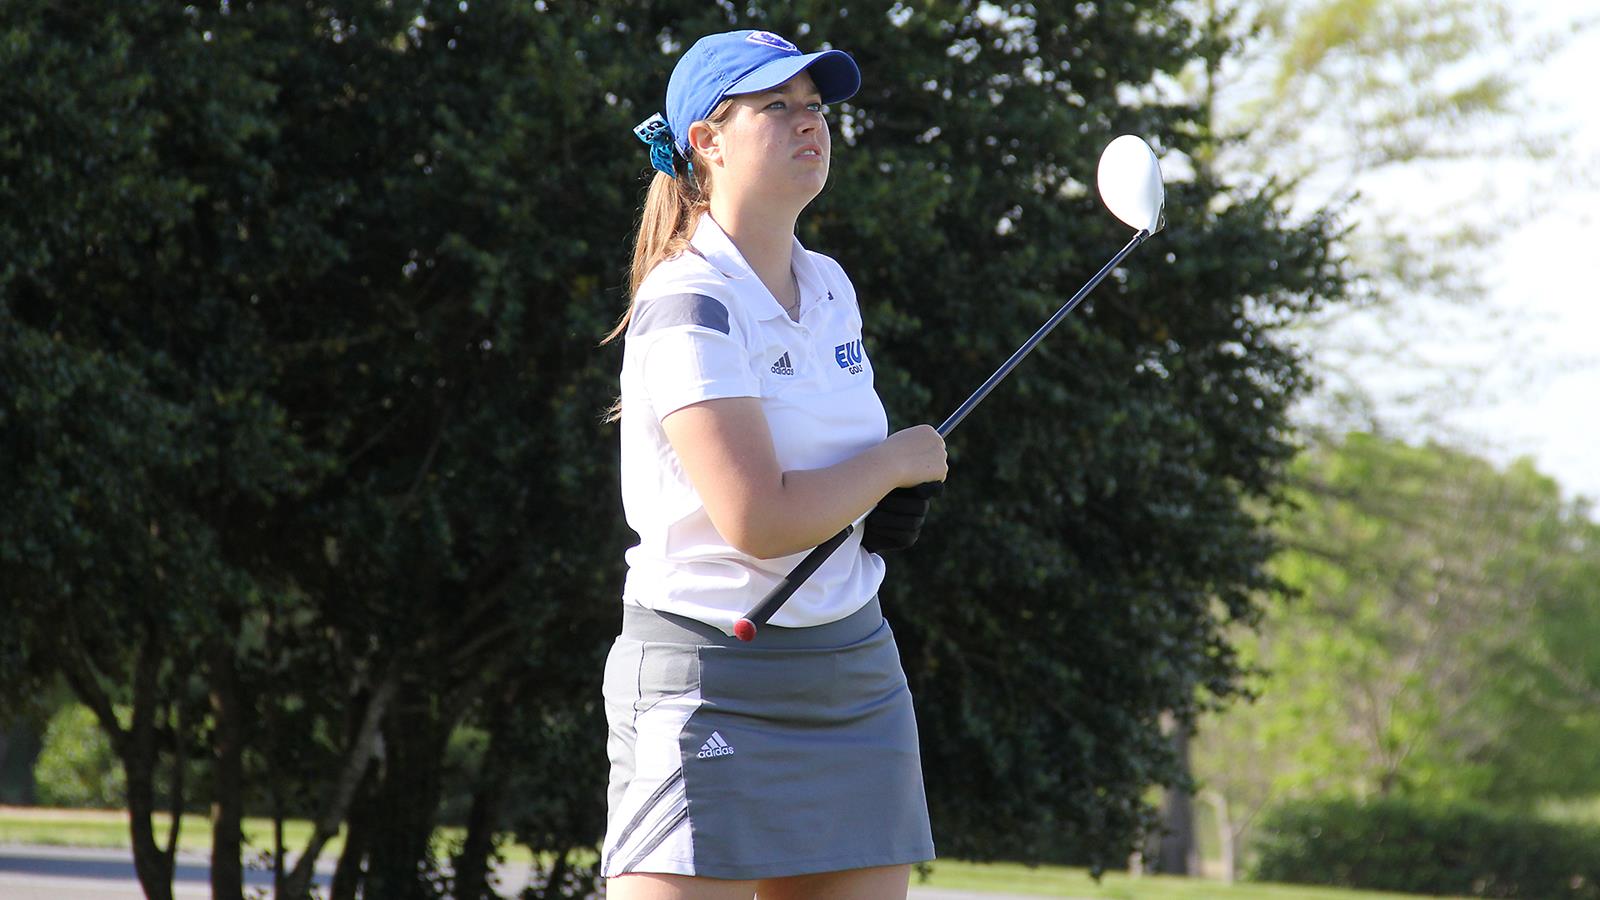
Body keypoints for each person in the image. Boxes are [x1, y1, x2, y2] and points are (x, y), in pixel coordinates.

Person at [600, 27, 949, 900]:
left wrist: (880, 496)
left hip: (854, 674)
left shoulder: (829, 284)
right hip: (706, 671)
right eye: (778, 106)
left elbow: (828, 468)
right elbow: (755, 519)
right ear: (707, 142)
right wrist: (896, 462)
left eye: (817, 106)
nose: (810, 124)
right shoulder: (687, 299)